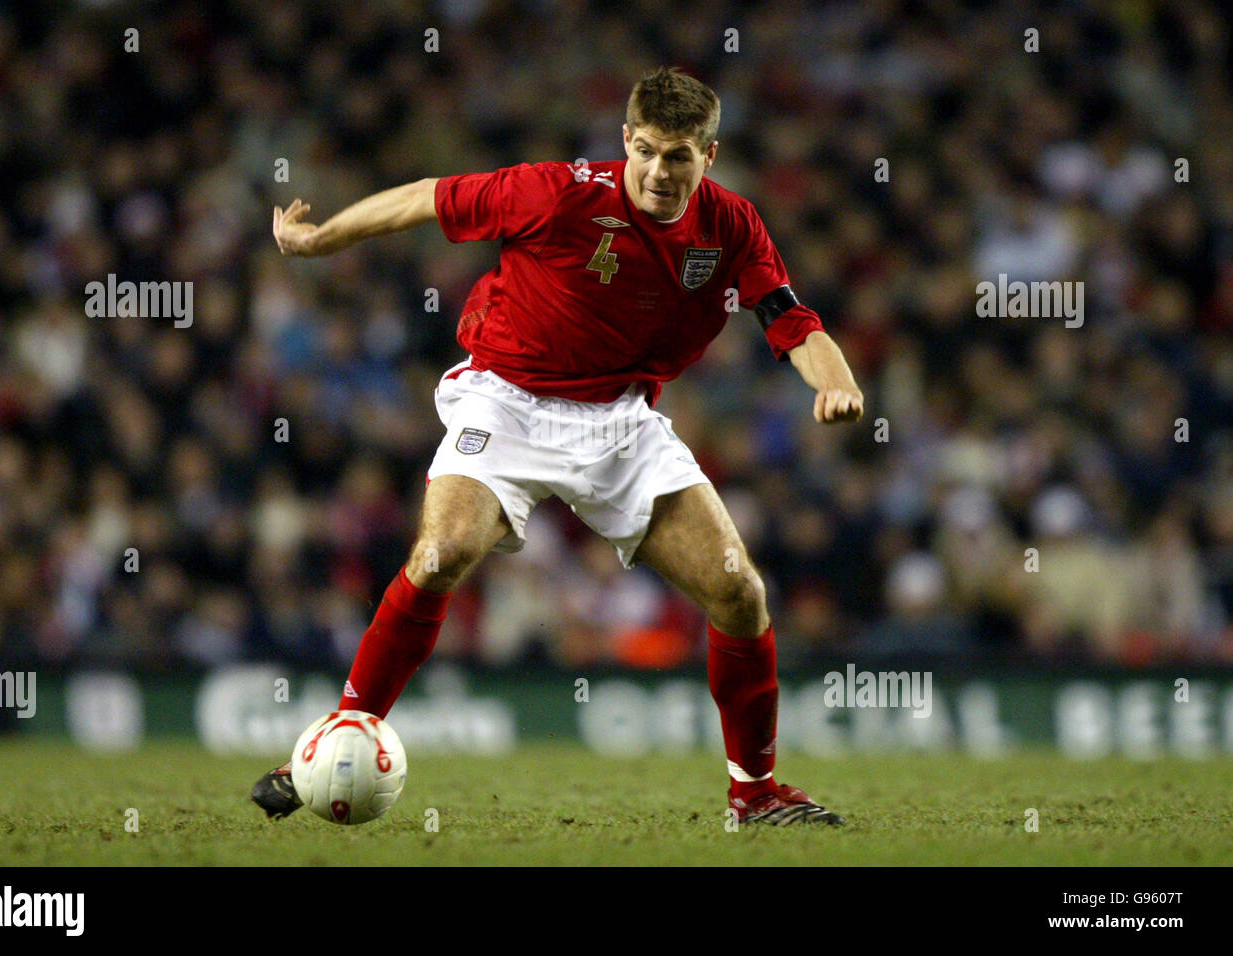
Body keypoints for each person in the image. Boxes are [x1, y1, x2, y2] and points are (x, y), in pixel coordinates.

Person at [253, 67, 864, 826]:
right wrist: (320, 238)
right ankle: (342, 727)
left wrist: (833, 384)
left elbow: (790, 318)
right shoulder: (559, 192)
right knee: (441, 554)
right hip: (506, 400)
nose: (658, 171)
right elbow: (428, 196)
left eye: (679, 156)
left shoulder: (732, 226)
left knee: (740, 592)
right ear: (624, 143)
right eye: (645, 150)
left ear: (710, 154)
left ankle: (757, 795)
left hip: (621, 422)